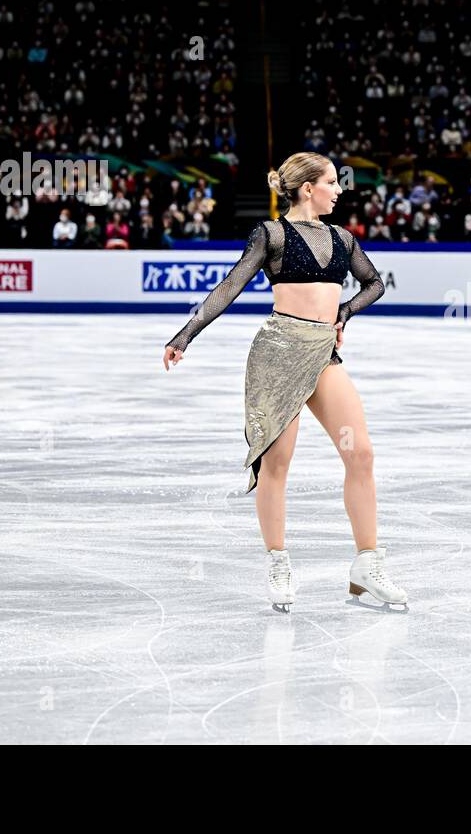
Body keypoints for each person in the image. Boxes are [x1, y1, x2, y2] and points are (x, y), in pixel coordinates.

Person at [162, 152, 406, 612]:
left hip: (322, 353)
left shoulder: (342, 237)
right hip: (277, 354)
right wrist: (186, 334)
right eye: (332, 182)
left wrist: (345, 311)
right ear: (308, 187)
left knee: (361, 453)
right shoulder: (272, 234)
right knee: (277, 464)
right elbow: (231, 285)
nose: (339, 189)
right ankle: (278, 561)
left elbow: (373, 283)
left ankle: (366, 566)